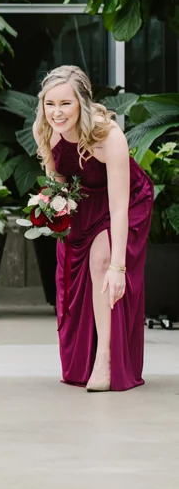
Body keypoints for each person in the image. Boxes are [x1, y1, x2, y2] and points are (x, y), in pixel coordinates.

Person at [35, 65, 153, 392]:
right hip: (83, 201)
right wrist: (52, 203)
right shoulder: (45, 129)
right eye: (50, 104)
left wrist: (118, 265)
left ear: (82, 104)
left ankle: (106, 359)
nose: (56, 113)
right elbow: (56, 176)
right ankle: (83, 359)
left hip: (126, 202)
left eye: (65, 104)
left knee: (102, 263)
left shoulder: (108, 137)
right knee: (74, 278)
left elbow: (118, 206)